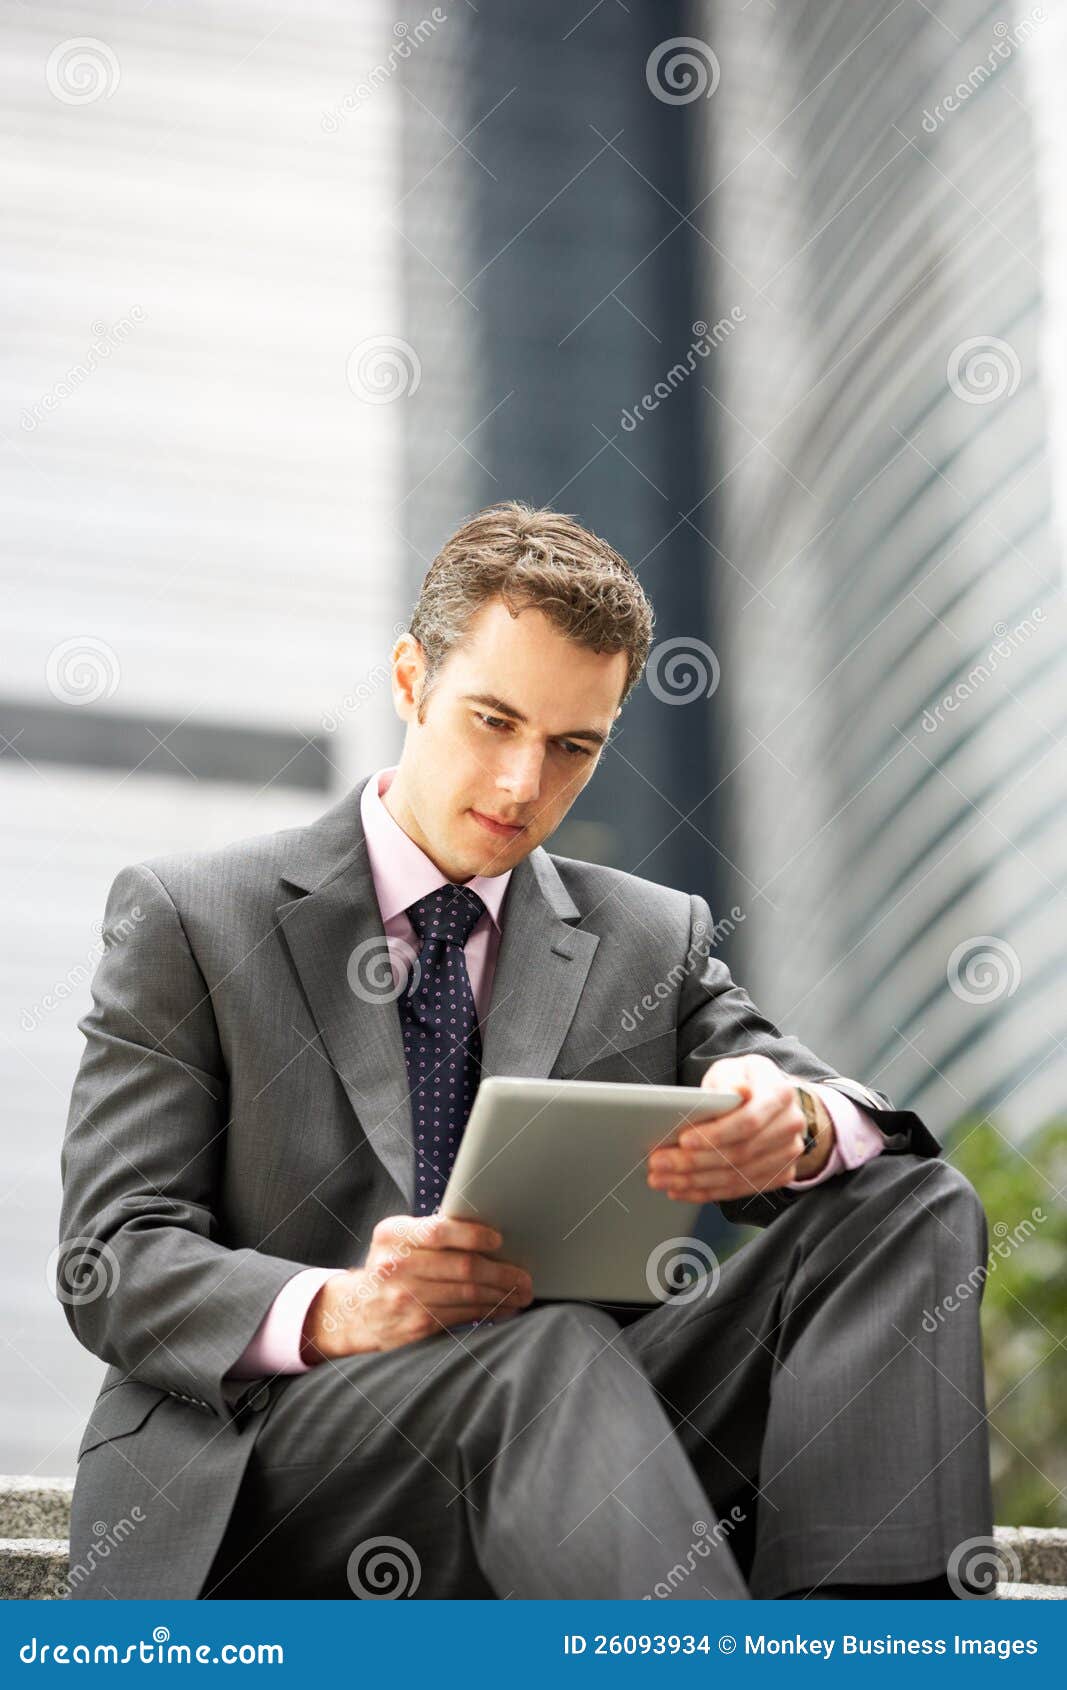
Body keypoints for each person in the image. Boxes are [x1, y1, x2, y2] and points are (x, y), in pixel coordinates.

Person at [57, 500, 992, 1601]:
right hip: (277, 1465)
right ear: (409, 680)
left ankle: (871, 1644)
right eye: (491, 721)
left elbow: (807, 1093)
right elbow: (111, 1257)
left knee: (907, 1198)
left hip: (590, 1460)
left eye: (570, 747)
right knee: (546, 1351)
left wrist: (787, 1122)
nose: (520, 785)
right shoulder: (191, 917)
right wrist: (342, 1303)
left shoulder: (651, 936)